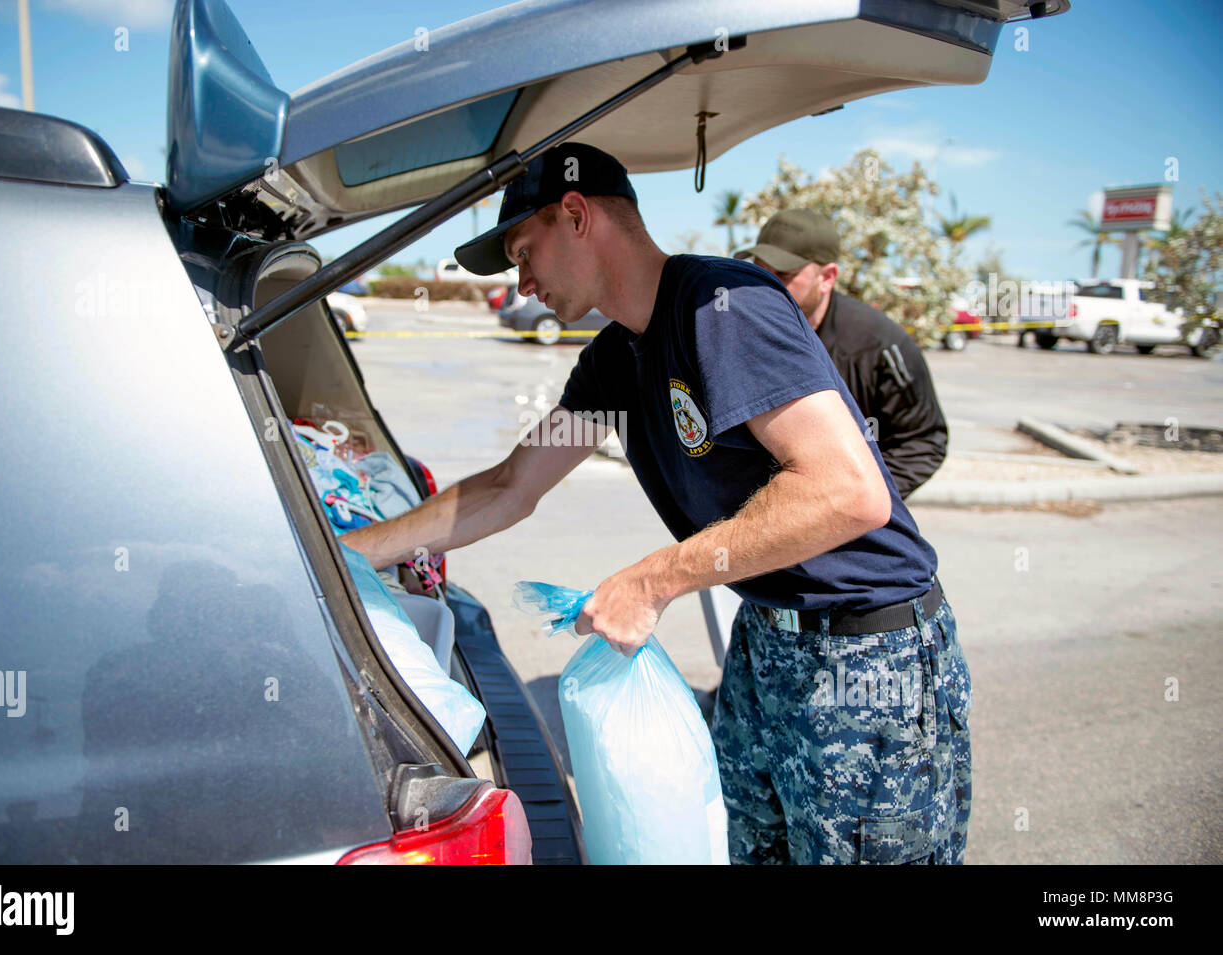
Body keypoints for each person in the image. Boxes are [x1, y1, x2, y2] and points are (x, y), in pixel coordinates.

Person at [339, 142, 972, 865]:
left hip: (865, 652)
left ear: (575, 215)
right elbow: (508, 487)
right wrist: (341, 557)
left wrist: (653, 579)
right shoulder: (614, 359)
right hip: (767, 641)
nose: (521, 283)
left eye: (524, 251)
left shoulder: (721, 306)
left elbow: (847, 490)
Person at [736, 210, 948, 498]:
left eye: (783, 275)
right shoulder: (742, 331)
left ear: (827, 277)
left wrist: (857, 502)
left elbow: (922, 441)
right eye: (760, 271)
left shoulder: (879, 345)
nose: (765, 286)